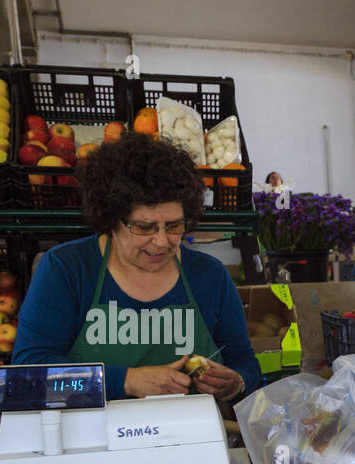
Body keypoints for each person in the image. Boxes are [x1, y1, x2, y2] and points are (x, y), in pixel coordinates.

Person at [14, 133, 260, 401]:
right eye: (144, 227)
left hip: (188, 437)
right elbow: (31, 379)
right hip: (89, 437)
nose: (162, 241)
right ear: (111, 219)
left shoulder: (210, 275)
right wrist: (126, 381)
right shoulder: (66, 269)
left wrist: (236, 383)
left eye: (175, 225)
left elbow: (244, 362)